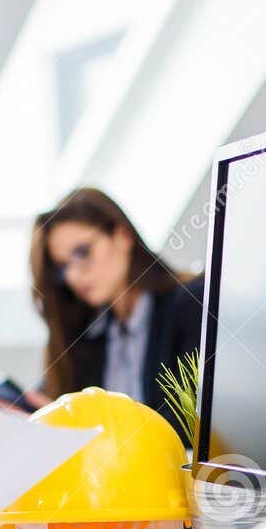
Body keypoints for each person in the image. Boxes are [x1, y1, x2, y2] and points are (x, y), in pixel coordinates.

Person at [28, 187, 205, 438]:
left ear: (122, 235)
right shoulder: (87, 332)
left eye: (82, 252)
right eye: (62, 267)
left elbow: (191, 420)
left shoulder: (190, 304)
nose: (73, 276)